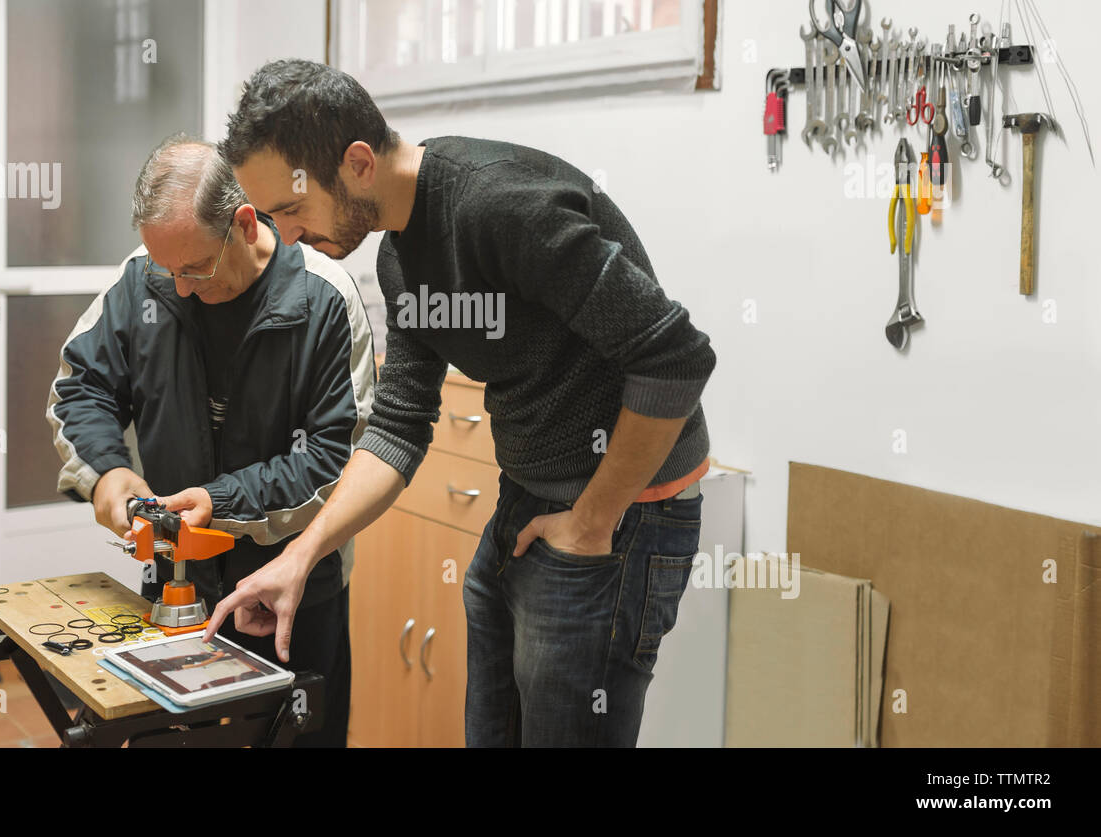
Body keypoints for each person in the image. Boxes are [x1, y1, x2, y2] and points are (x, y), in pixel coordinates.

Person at [200, 60, 718, 747]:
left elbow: (675, 357)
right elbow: (397, 427)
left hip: (625, 513)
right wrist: (301, 556)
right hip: (529, 498)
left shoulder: (498, 207)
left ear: (358, 164)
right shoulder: (399, 258)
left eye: (291, 210)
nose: (286, 236)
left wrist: (594, 520)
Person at [45, 133, 375, 747]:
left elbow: (337, 460)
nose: (180, 288)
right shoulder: (145, 277)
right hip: (176, 583)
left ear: (245, 224)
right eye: (168, 270)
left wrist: (219, 501)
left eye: (195, 269)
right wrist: (108, 471)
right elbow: (80, 388)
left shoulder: (324, 298)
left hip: (290, 591)